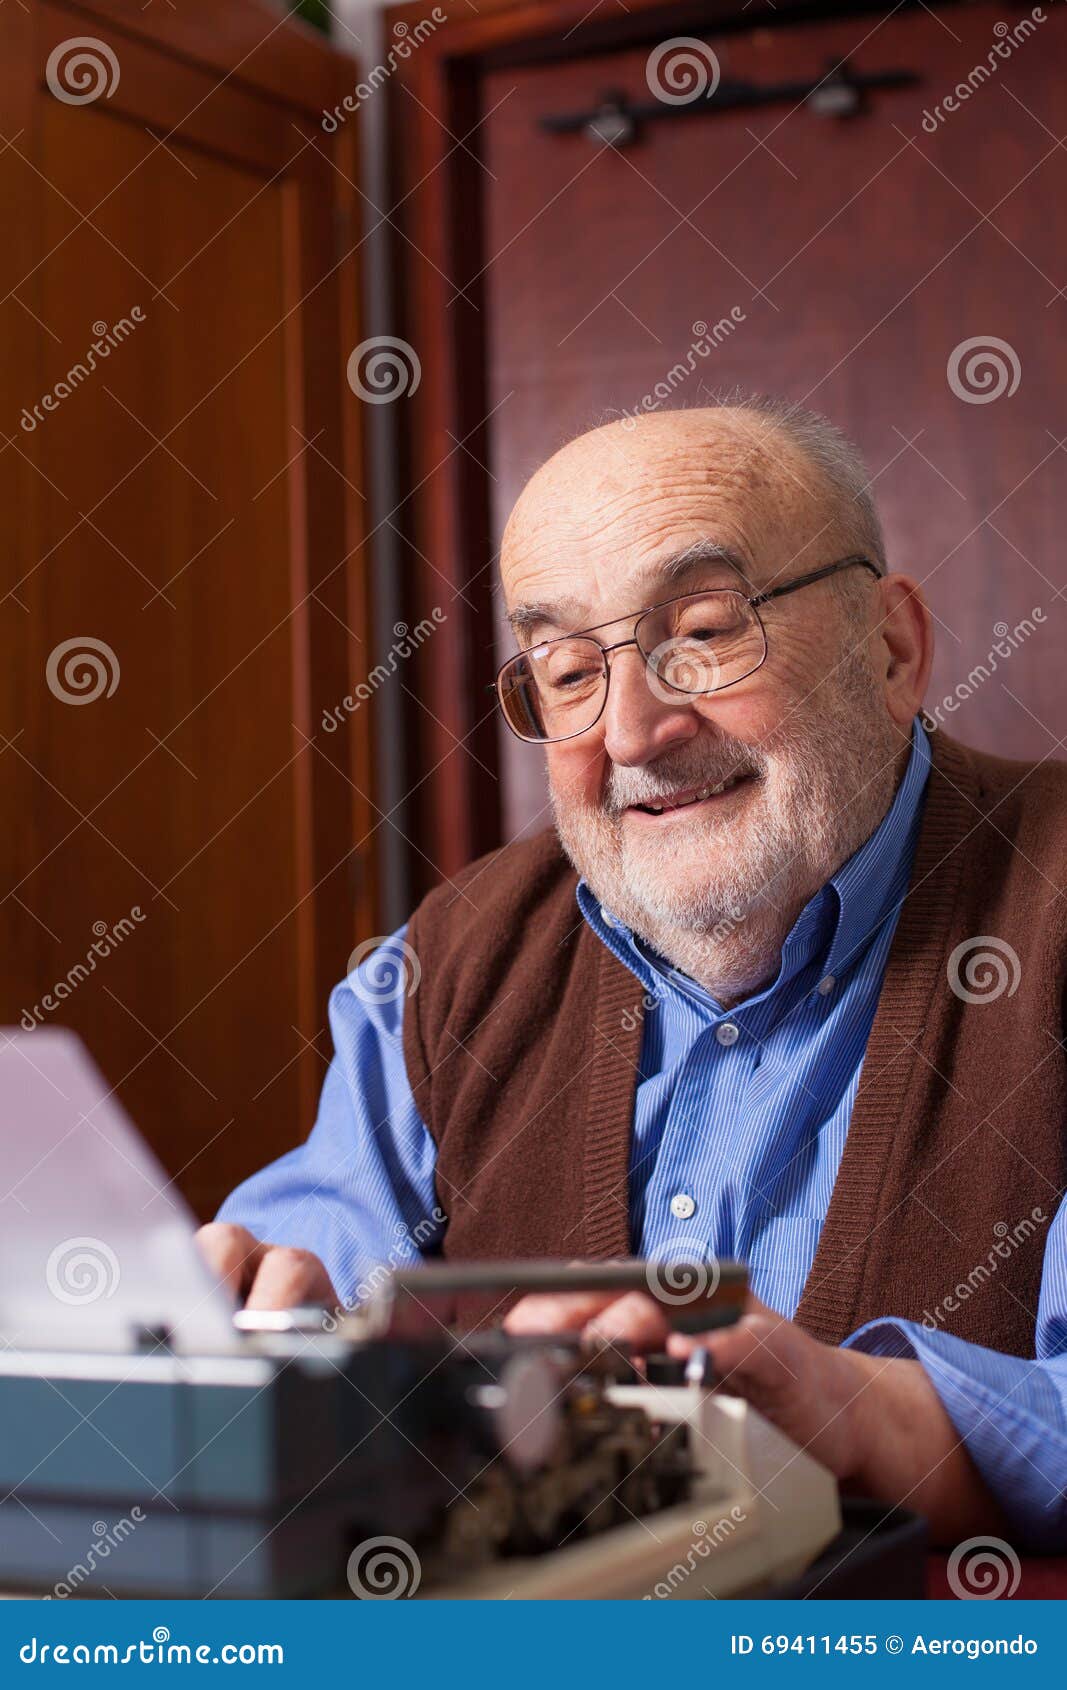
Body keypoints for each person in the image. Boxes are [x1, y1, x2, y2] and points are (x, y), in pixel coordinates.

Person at [198, 397, 1067, 1548]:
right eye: (564, 671)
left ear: (890, 647)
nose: (630, 730)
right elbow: (300, 1290)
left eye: (703, 630)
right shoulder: (447, 967)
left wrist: (858, 1417)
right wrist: (232, 1334)